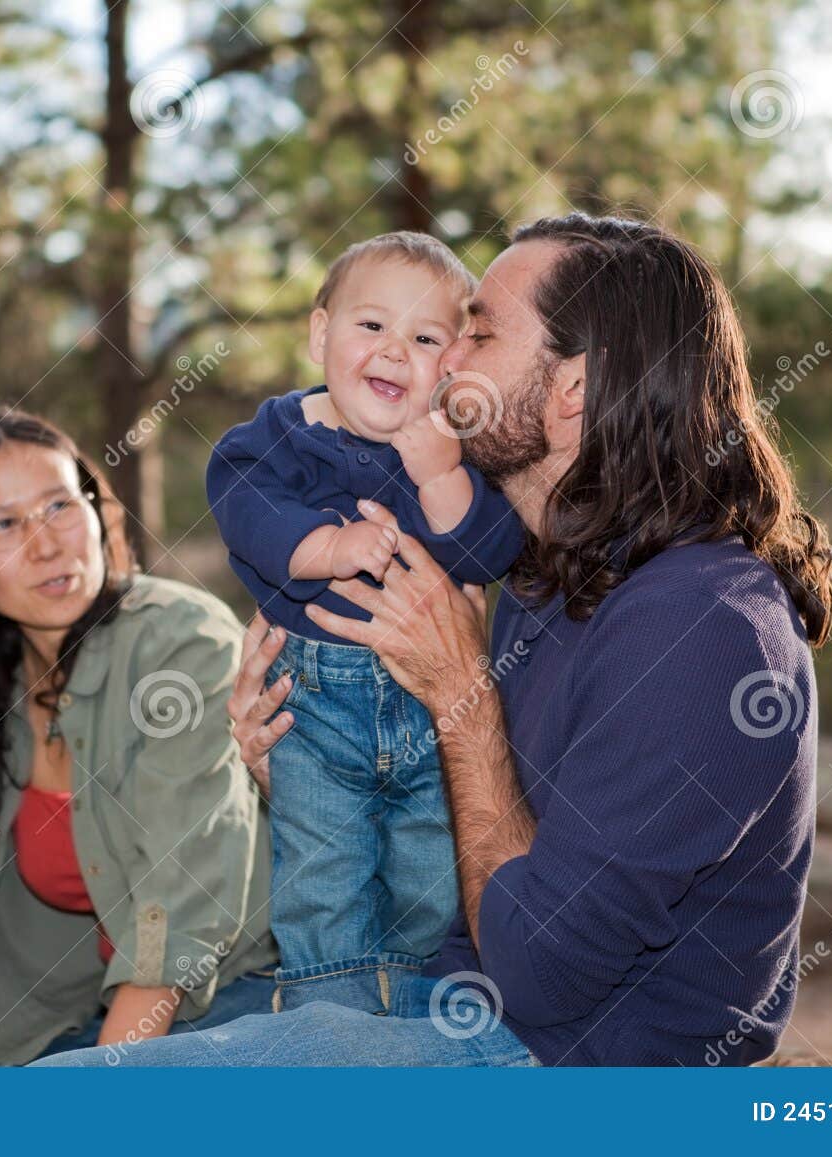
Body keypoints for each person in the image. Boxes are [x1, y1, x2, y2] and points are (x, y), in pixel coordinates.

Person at [32, 213, 832, 1067]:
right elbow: (476, 834)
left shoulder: (704, 630)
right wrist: (305, 764)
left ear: (573, 388)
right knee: (72, 1053)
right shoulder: (544, 570)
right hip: (432, 993)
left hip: (564, 1064)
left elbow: (542, 977)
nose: (441, 358)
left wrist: (461, 696)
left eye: (477, 332)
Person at [0, 410, 278, 1066]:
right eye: (4, 524)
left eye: (60, 505)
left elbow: (179, 918)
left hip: (240, 1006)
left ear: (96, 512)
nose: (46, 544)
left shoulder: (181, 644)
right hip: (88, 1027)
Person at [205, 232, 526, 1013]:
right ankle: (330, 1016)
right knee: (323, 874)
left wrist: (442, 476)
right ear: (321, 333)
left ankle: (416, 1013)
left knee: (430, 870)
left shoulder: (445, 453)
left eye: (423, 339)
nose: (393, 353)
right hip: (315, 703)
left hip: (429, 705)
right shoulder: (279, 437)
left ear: (451, 367)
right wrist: (328, 546)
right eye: (371, 326)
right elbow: (243, 505)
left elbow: (490, 551)